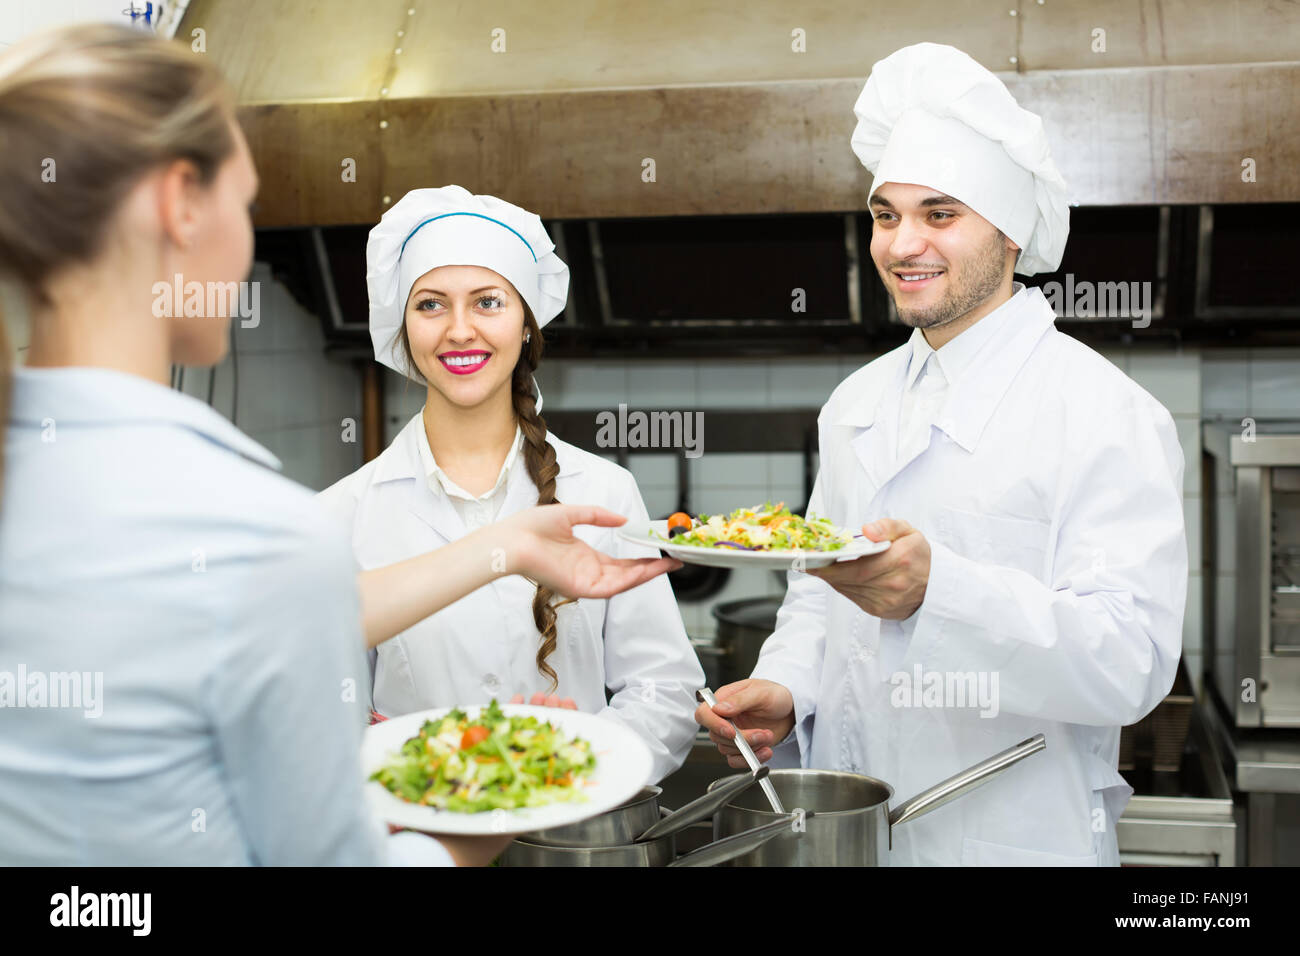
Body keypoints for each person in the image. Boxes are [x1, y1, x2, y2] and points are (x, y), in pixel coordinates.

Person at [0, 23, 678, 867]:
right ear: (180, 204)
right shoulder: (259, 526)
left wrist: (502, 549)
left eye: (488, 302)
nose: (247, 247)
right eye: (245, 206)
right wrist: (486, 810)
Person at [695, 43, 1187, 866]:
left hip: (1013, 842)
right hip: (847, 834)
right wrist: (786, 687)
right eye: (887, 215)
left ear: (1008, 231)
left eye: (940, 213)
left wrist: (943, 593)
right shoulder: (856, 403)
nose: (902, 244)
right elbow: (817, 593)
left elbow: (1131, 665)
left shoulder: (1105, 413)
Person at [317, 186, 704, 784]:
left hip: (574, 842)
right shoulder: (343, 515)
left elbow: (665, 688)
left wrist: (580, 756)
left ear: (526, 323)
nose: (460, 330)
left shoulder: (603, 493)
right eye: (431, 305)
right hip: (420, 837)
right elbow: (323, 711)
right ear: (403, 331)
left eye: (488, 302)